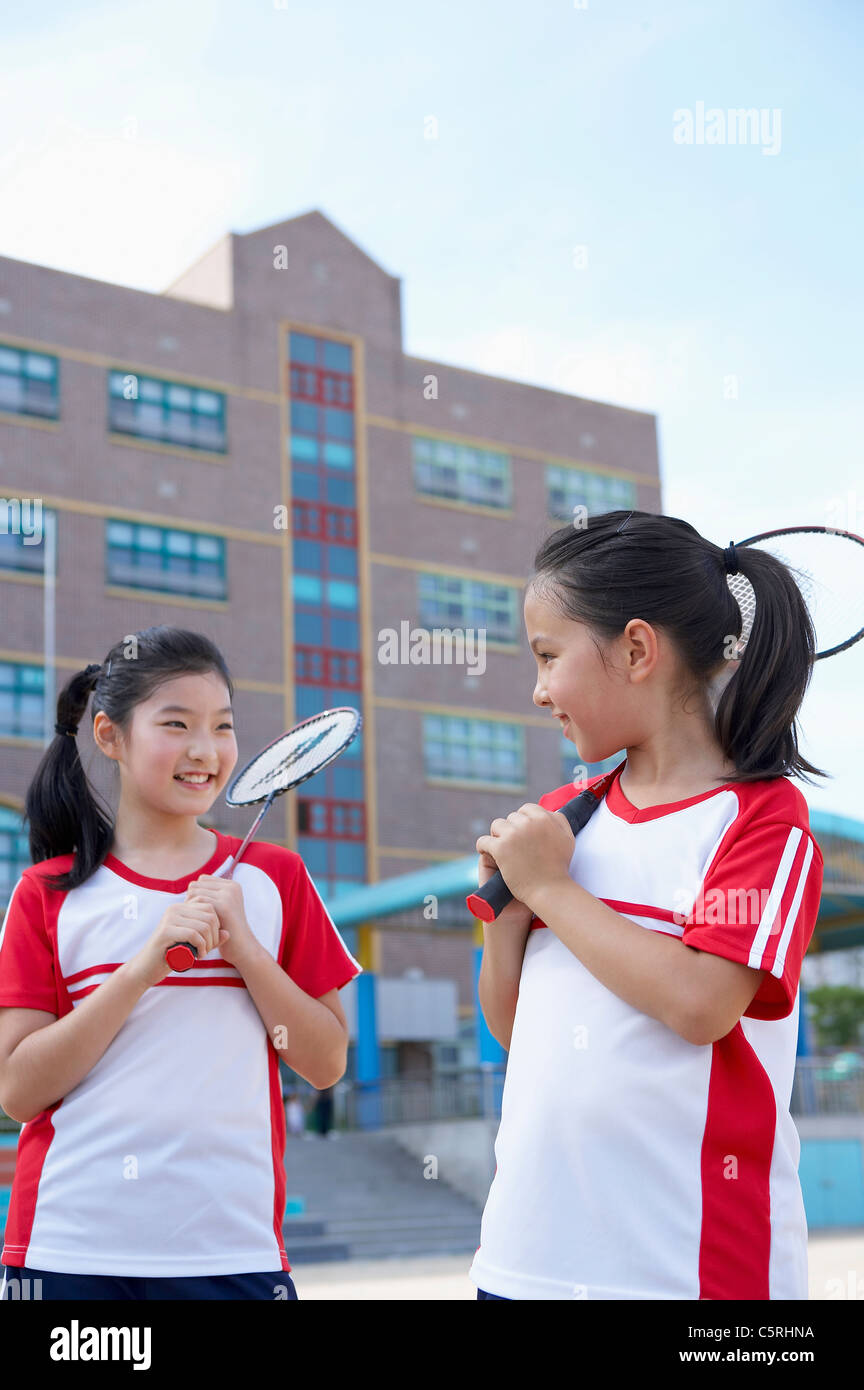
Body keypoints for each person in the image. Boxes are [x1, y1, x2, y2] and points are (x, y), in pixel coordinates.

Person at [469, 510, 826, 1301]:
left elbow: (702, 1003)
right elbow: (511, 1027)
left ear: (635, 649)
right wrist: (512, 914)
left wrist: (552, 890)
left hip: (689, 1276)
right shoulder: (564, 815)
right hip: (521, 1264)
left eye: (548, 656)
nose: (537, 691)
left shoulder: (763, 819)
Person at [0, 625, 361, 1300]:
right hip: (70, 1252)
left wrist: (246, 949)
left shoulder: (276, 878)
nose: (205, 751)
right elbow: (18, 1090)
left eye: (222, 727)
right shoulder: (47, 894)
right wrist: (141, 969)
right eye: (176, 725)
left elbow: (325, 1062)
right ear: (109, 736)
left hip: (233, 1252)